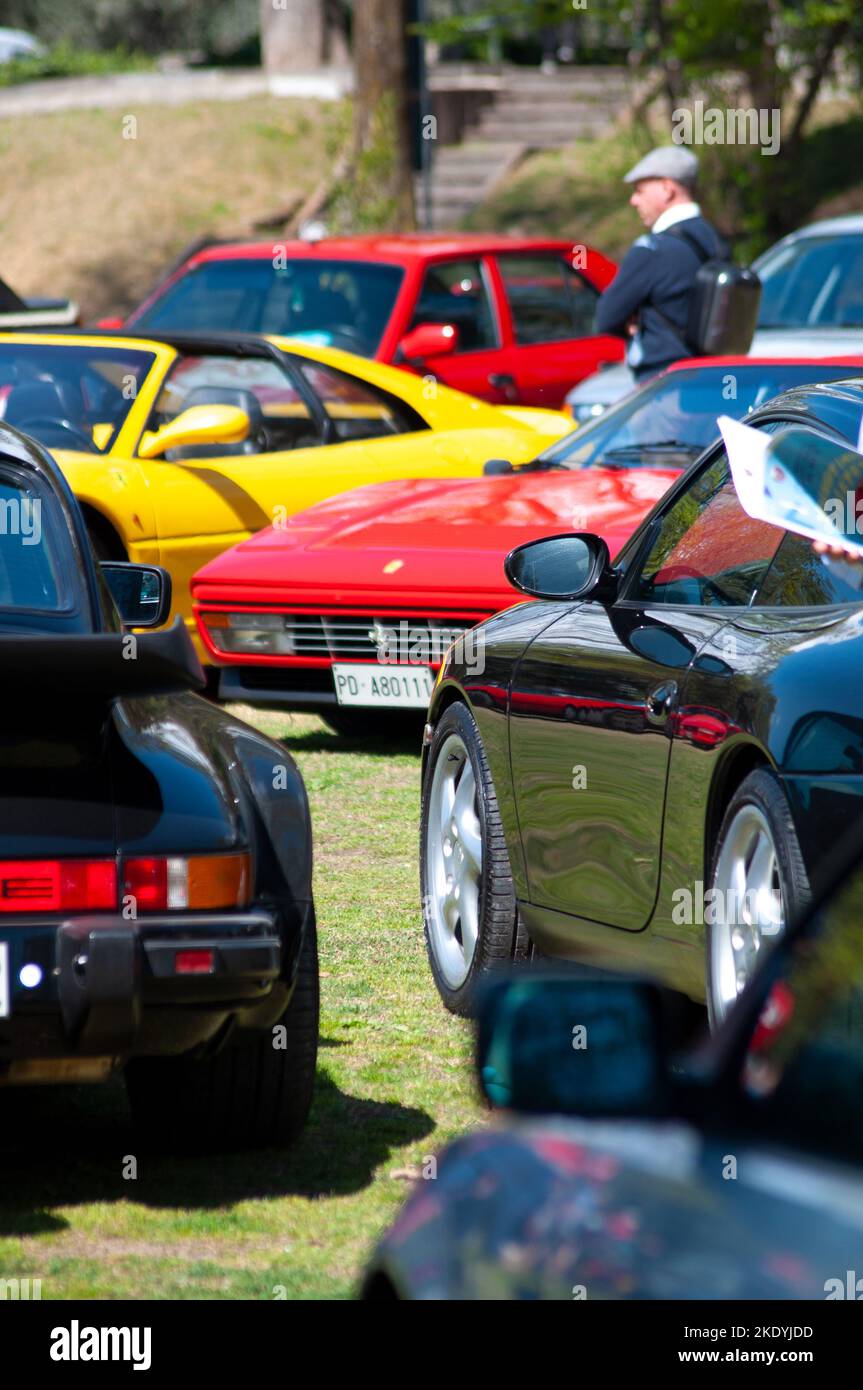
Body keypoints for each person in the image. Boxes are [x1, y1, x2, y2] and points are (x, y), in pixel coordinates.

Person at [595, 146, 726, 381]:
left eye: (639, 190)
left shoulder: (652, 249)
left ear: (667, 188)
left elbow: (606, 317)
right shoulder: (716, 240)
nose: (633, 200)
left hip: (665, 386)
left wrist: (634, 319)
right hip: (713, 380)